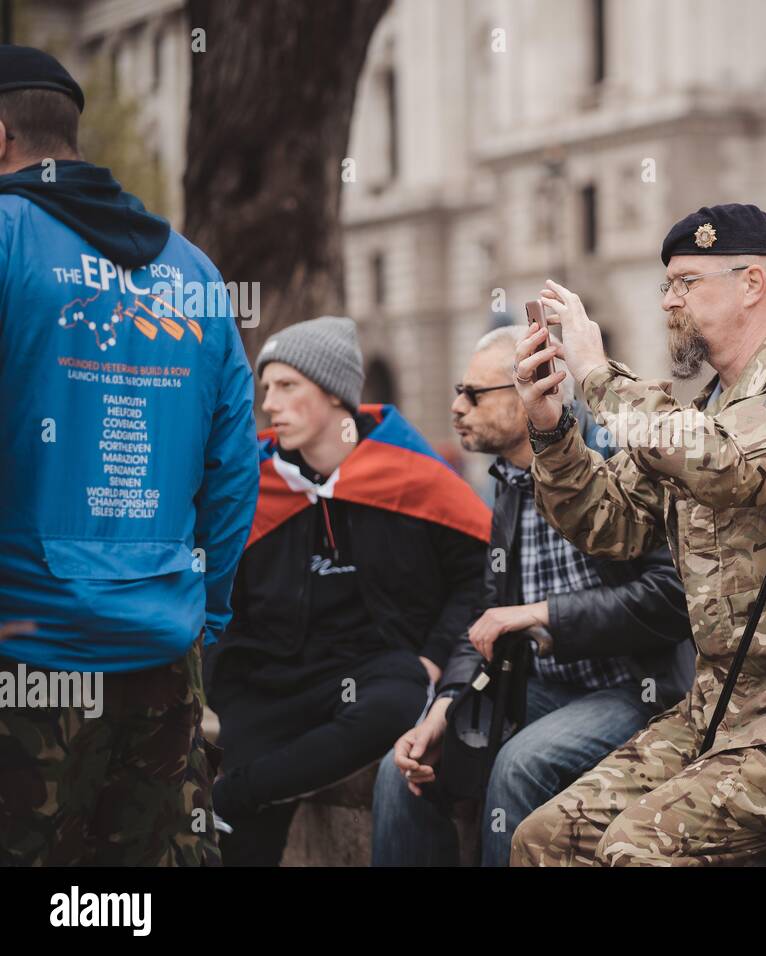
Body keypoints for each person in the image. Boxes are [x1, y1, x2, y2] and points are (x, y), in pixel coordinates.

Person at [509, 203, 766, 866]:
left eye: (687, 283)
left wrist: (597, 376)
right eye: (666, 286)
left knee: (634, 849)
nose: (669, 302)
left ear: (753, 285)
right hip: (725, 707)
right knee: (545, 838)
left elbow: (729, 464)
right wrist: (553, 430)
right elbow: (608, 523)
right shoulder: (700, 414)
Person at [0, 45, 257, 865]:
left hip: (27, 649)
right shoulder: (195, 272)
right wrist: (202, 617)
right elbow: (233, 471)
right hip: (160, 650)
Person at [372, 326, 693, 866]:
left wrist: (544, 615)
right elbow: (487, 617)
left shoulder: (618, 460)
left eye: (475, 394)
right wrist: (446, 704)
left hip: (634, 689)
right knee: (402, 769)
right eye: (459, 390)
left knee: (520, 764)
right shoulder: (507, 483)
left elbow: (668, 600)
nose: (456, 407)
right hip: (539, 685)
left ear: (534, 392)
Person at [204, 315, 490, 866]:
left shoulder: (411, 475)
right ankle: (246, 793)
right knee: (239, 825)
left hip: (371, 671)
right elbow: (222, 592)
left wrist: (432, 659)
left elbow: (475, 578)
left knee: (397, 702)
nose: (270, 405)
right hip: (272, 678)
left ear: (335, 394)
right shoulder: (252, 483)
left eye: (288, 386)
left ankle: (239, 793)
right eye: (267, 389)